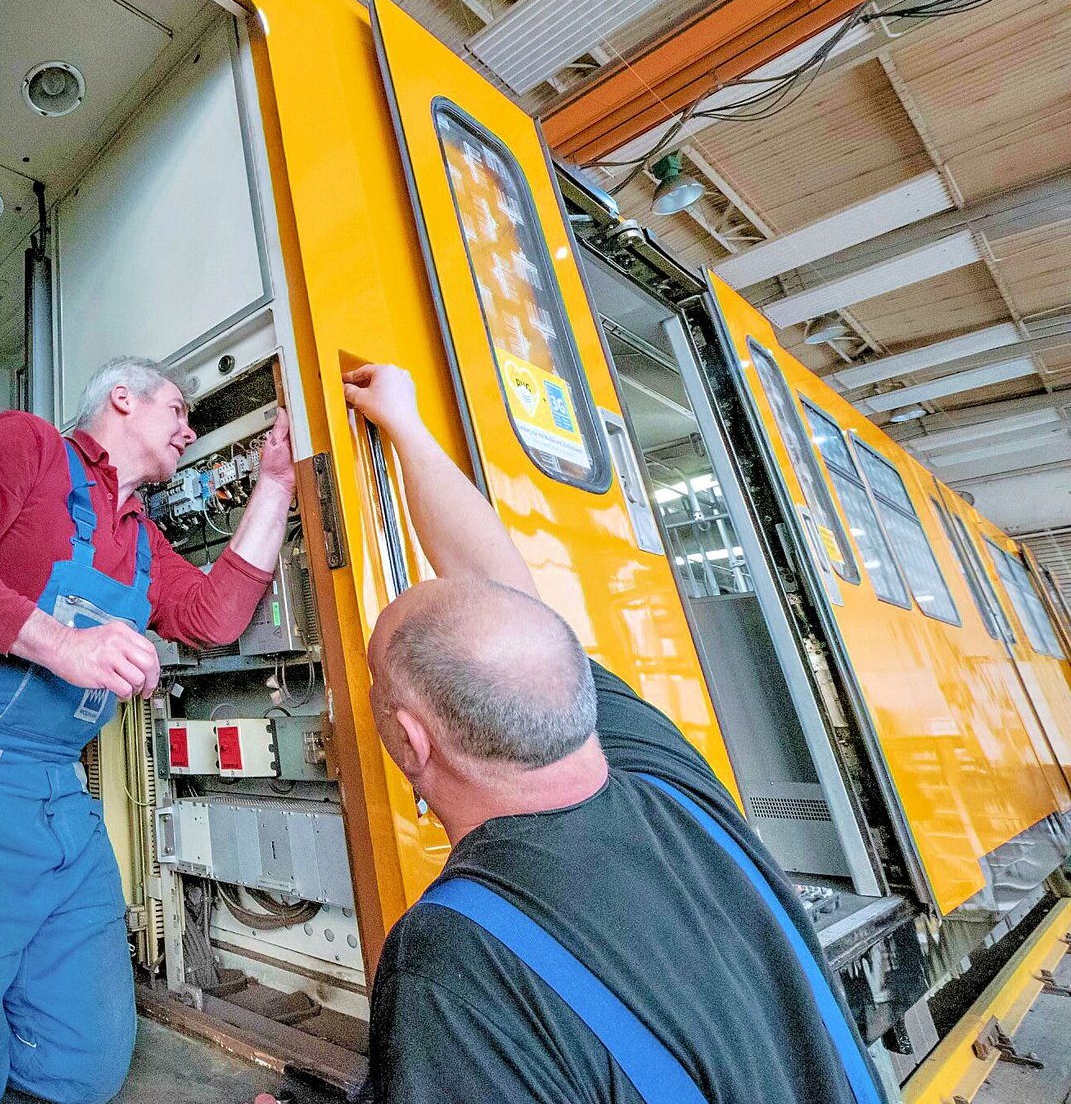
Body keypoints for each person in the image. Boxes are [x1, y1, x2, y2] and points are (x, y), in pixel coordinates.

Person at [343, 362, 886, 1104]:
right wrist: (405, 426)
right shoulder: (667, 777)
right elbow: (508, 593)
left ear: (412, 740)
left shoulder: (455, 963)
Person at [0, 355, 294, 1104]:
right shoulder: (24, 446)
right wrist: (60, 643)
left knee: (84, 1059)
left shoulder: (141, 539)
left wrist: (276, 485)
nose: (190, 429)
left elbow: (212, 617)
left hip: (62, 794)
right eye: (179, 408)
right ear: (121, 397)